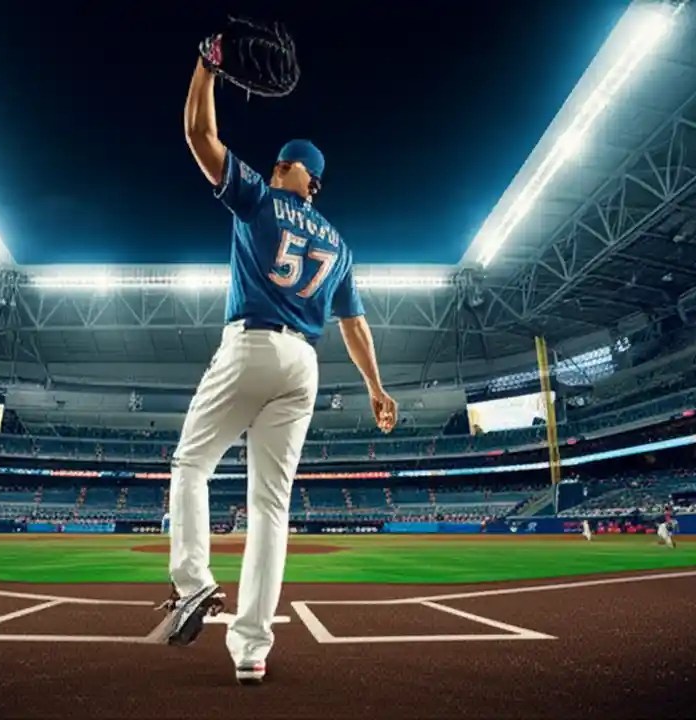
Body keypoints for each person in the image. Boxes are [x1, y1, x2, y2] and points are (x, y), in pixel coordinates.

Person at [159, 43, 397, 687]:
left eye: (280, 163)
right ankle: (251, 649)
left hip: (252, 346)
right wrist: (377, 389)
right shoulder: (340, 244)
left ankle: (193, 584)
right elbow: (356, 325)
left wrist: (207, 64)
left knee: (191, 464)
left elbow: (198, 133)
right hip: (305, 367)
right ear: (314, 183)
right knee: (271, 507)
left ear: (288, 169)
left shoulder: (261, 198)